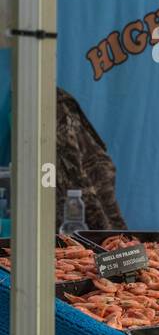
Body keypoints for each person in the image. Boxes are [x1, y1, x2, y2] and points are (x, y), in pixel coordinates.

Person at [56, 87, 127, 231]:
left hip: (91, 227)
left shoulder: (55, 105)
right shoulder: (54, 104)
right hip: (82, 227)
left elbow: (77, 177)